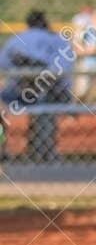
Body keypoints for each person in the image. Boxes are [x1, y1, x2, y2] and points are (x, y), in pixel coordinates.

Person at [0, 10, 74, 163]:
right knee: (46, 106)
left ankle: (4, 149)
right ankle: (45, 151)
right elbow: (63, 71)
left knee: (3, 109)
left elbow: (3, 64)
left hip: (19, 92)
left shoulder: (17, 39)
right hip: (49, 91)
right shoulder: (56, 39)